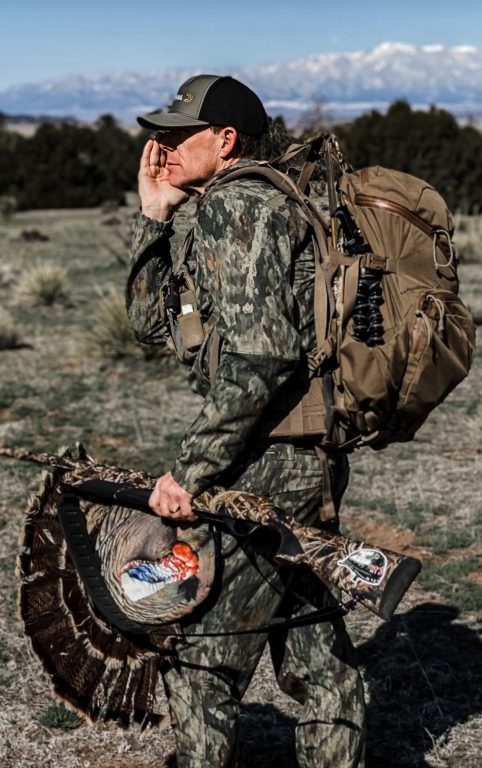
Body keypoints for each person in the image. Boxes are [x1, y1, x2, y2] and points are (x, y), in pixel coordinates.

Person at [125, 74, 365, 767]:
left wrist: (190, 472)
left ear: (225, 140)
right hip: (299, 456)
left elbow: (262, 357)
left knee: (202, 660)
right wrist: (154, 217)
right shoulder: (219, 209)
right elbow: (151, 325)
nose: (159, 146)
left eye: (176, 135)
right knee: (315, 647)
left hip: (264, 462)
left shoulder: (244, 210)